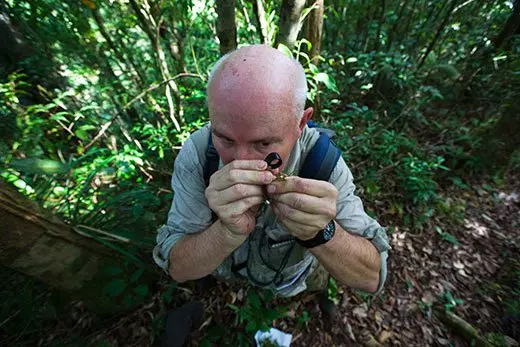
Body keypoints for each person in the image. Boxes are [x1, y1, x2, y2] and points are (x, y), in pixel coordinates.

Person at [153, 44, 390, 298]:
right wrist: (226, 232)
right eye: (225, 139)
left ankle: (317, 299)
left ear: (301, 123)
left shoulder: (323, 163)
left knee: (313, 289)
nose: (240, 162)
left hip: (292, 284)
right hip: (230, 281)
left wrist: (321, 232)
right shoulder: (199, 153)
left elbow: (372, 277)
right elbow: (177, 268)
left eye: (264, 143)